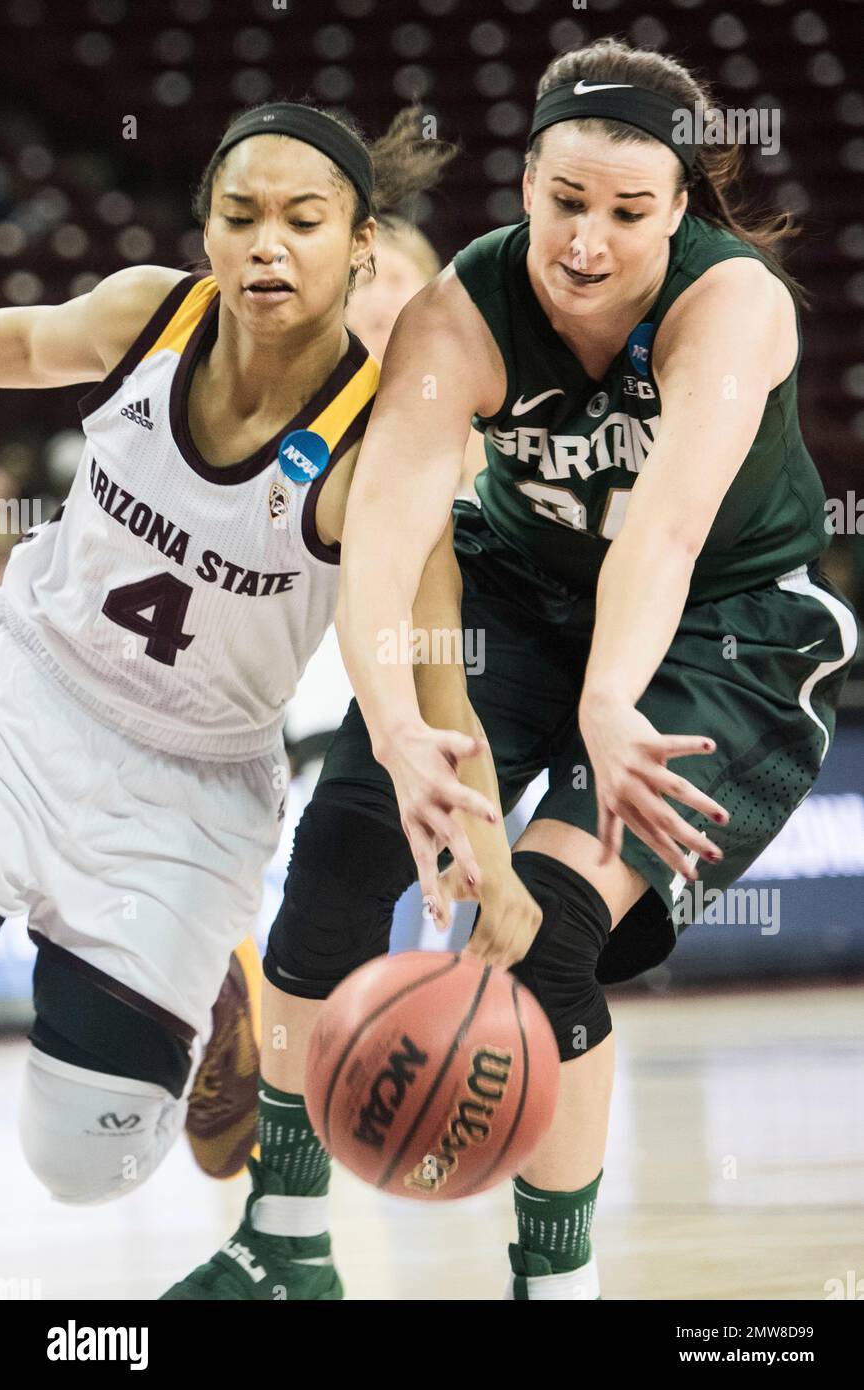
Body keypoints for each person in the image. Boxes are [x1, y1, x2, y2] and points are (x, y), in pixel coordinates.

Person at [164, 37, 858, 1302]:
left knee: (547, 943)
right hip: (520, 599)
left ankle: (557, 1286)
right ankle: (283, 1246)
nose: (587, 242)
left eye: (627, 212)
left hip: (724, 628)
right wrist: (393, 722)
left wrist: (607, 704)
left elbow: (666, 531)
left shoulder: (734, 302)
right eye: (564, 202)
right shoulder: (464, 313)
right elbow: (385, 543)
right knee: (340, 854)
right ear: (526, 184)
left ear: (684, 206)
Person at [0, 98, 460, 1205]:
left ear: (360, 252)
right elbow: (17, 342)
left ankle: (213, 1000)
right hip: (31, 690)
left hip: (191, 783)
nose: (267, 243)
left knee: (84, 1165)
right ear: (203, 225)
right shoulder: (152, 318)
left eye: (303, 220)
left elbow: (432, 654)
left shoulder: (391, 446)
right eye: (240, 213)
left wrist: (460, 815)